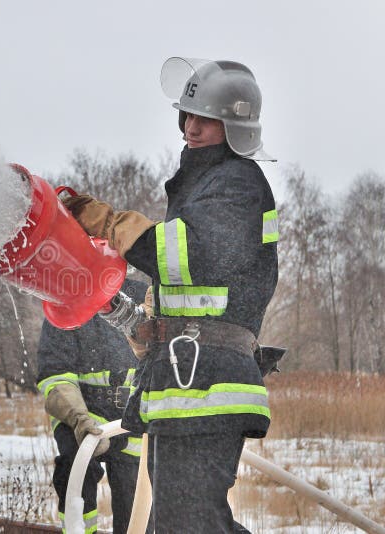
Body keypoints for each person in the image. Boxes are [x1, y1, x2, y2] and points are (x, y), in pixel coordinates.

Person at [62, 58, 279, 533]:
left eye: (206, 119)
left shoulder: (237, 184)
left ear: (235, 127)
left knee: (190, 524)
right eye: (187, 115)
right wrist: (141, 324)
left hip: (208, 384)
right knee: (176, 525)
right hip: (184, 381)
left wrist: (106, 222)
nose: (191, 128)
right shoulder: (204, 184)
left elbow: (181, 255)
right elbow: (190, 294)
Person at [37, 278, 149, 534]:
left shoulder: (142, 296)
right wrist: (79, 419)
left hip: (132, 420)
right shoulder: (65, 302)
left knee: (137, 502)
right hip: (82, 419)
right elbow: (55, 376)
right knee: (75, 473)